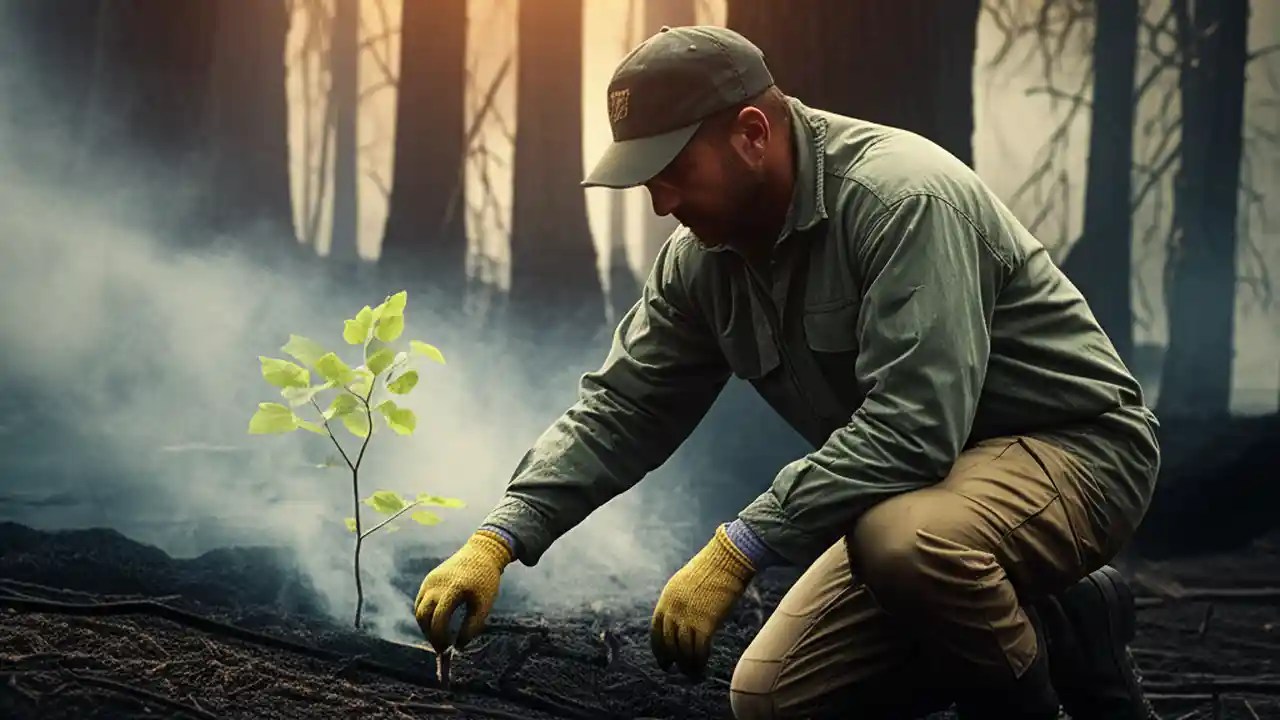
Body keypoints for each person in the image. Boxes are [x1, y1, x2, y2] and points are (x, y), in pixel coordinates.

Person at [414, 25, 1160, 720]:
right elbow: (623, 408)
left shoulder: (901, 201)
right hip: (927, 493)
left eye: (672, 169)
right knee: (773, 696)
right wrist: (499, 538)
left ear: (752, 133)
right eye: (646, 180)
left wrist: (739, 546)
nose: (659, 202)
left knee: (904, 544)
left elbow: (913, 427)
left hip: (1073, 453)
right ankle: (1059, 619)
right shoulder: (702, 259)